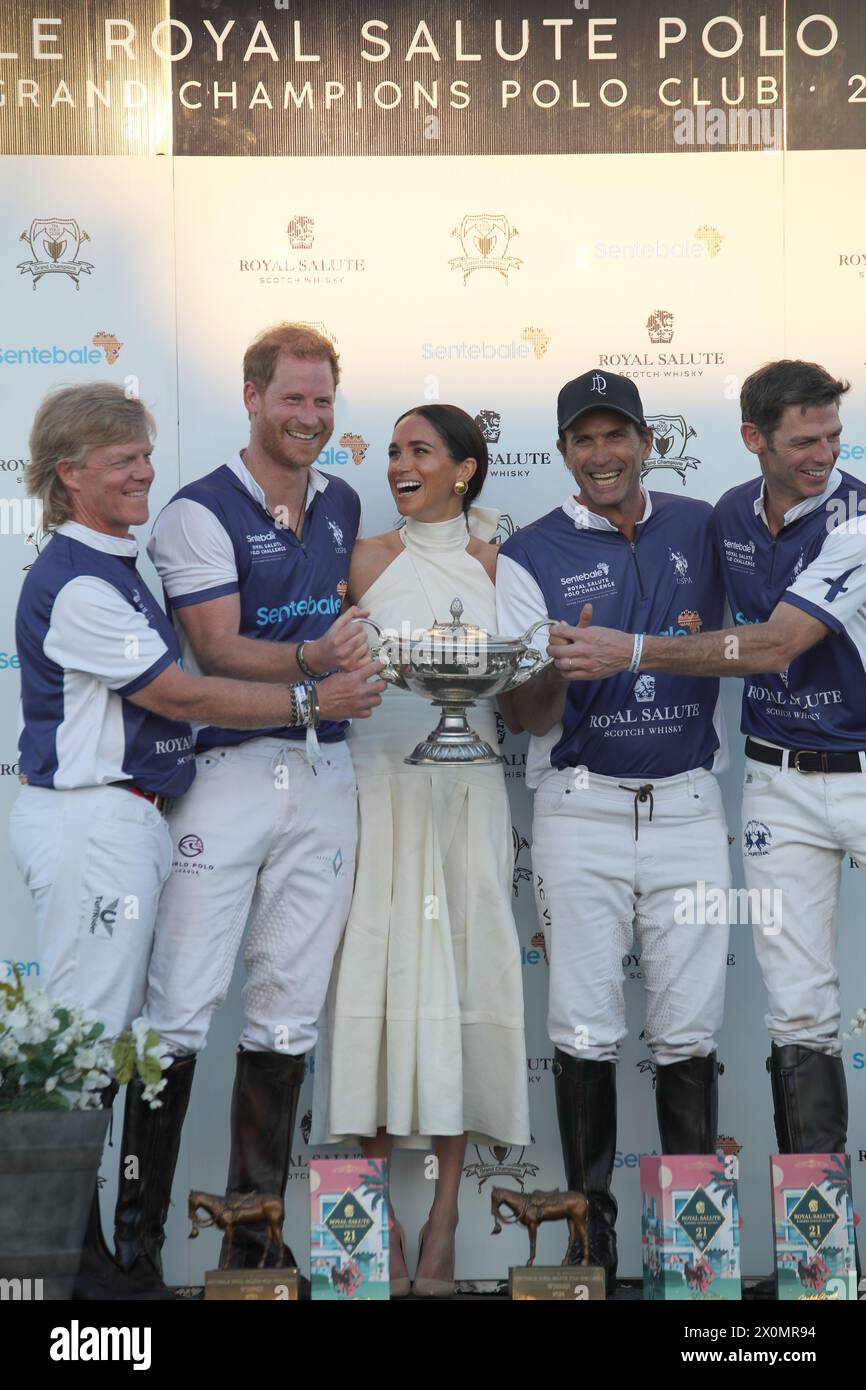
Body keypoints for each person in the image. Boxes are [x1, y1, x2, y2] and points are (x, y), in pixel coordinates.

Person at [10, 380, 378, 1298]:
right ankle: (66, 1261)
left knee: (94, 1038)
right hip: (93, 816)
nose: (144, 471)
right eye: (123, 460)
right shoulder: (76, 578)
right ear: (70, 473)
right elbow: (179, 693)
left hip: (129, 815)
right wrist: (311, 698)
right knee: (82, 1041)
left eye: (143, 453)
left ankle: (98, 1257)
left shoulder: (111, 558)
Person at [552, 360, 865, 1183]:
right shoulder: (727, 515)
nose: (823, 453)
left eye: (832, 436)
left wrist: (634, 652)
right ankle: (817, 1255)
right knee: (800, 1009)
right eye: (804, 440)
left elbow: (772, 643)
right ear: (753, 439)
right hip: (776, 784)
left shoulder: (860, 513)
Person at [120, 324, 384, 1287]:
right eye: (292, 400)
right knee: (178, 1013)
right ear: (250, 396)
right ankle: (139, 1253)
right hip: (228, 776)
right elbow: (218, 649)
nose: (310, 418)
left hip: (324, 773)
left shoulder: (344, 500)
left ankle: (251, 1248)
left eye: (322, 401)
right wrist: (321, 663)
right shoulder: (196, 511)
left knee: (285, 1015)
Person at [495, 369, 731, 1292]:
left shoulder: (703, 525)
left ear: (645, 442)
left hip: (687, 807)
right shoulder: (528, 551)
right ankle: (589, 1251)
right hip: (581, 808)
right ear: (562, 452)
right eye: (583, 440)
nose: (602, 455)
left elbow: (753, 634)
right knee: (584, 1028)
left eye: (617, 436)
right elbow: (529, 714)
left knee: (689, 1030)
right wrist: (559, 666)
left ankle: (692, 1254)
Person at [315, 404, 530, 1298]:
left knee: (460, 984)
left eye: (420, 451)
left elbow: (527, 693)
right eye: (396, 451)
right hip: (376, 789)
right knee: (378, 987)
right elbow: (322, 665)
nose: (401, 464)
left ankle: (440, 1228)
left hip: (467, 791)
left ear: (466, 470)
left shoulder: (500, 567)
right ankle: (377, 1235)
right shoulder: (362, 558)